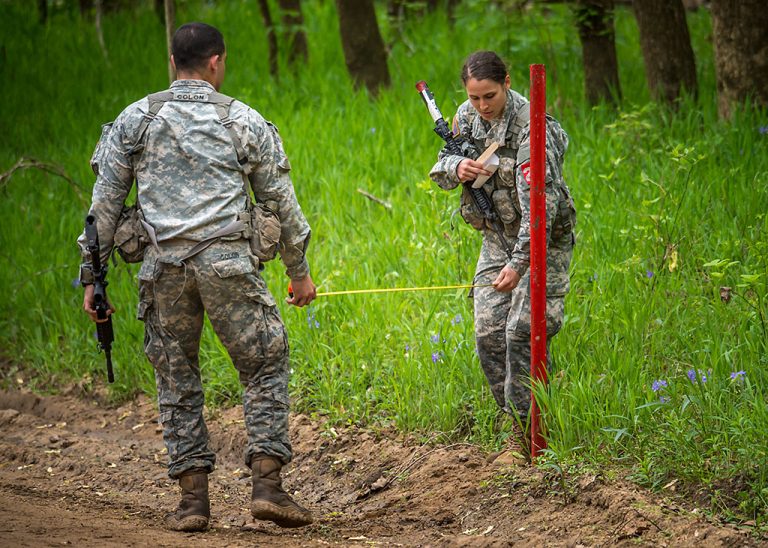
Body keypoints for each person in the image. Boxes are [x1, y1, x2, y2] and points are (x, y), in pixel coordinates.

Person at [77, 22, 316, 531]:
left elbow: (101, 211)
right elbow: (282, 204)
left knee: (176, 378)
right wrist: (299, 274)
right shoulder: (243, 121)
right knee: (265, 364)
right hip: (228, 265)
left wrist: (92, 282)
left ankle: (192, 503)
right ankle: (268, 486)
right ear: (216, 62)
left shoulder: (134, 120)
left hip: (163, 270)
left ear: (172, 62)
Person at [429, 51, 576, 427]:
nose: (482, 106)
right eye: (475, 97)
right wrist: (457, 167)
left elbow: (542, 211)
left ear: (507, 83)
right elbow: (440, 165)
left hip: (541, 240)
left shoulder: (532, 129)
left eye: (489, 96)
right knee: (489, 333)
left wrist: (519, 264)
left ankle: (531, 432)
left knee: (521, 333)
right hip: (497, 235)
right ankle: (515, 418)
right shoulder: (465, 117)